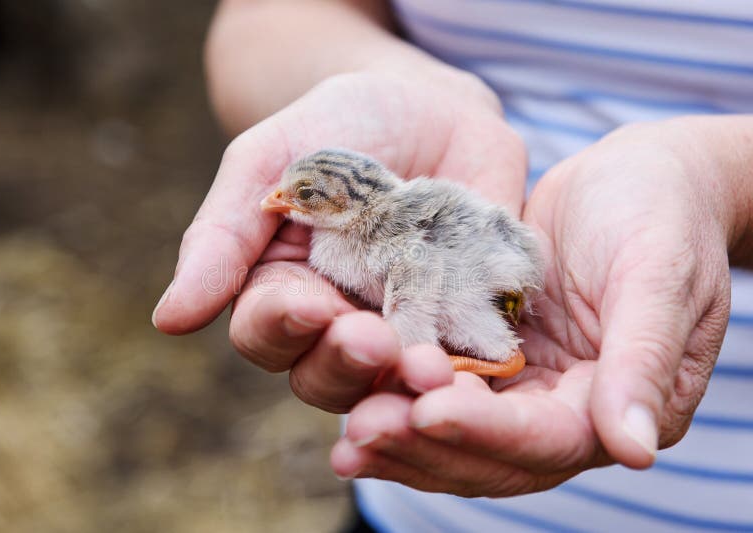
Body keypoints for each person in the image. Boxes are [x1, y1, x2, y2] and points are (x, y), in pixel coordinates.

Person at [153, 1, 753, 530]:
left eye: (302, 196)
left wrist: (723, 183)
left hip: (723, 482)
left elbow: (416, 276)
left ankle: (505, 352)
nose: (280, 204)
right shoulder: (363, 228)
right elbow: (268, 16)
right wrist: (386, 76)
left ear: (342, 204)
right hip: (414, 511)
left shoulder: (369, 240)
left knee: (421, 282)